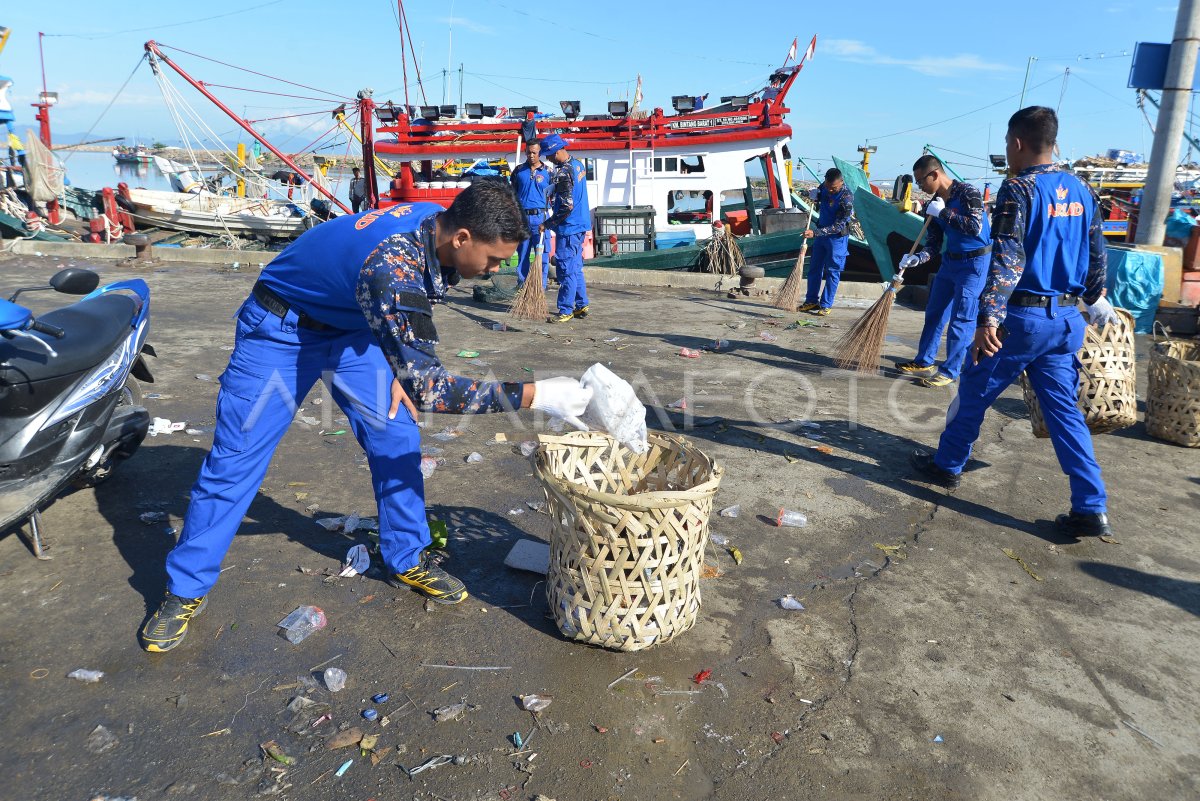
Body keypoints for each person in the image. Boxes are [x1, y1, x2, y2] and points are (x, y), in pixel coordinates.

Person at [139, 180, 594, 653]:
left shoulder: (434, 225)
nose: (496, 270)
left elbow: (410, 321)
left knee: (396, 434)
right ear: (461, 238)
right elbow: (431, 389)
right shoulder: (390, 264)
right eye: (494, 259)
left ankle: (407, 555)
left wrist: (403, 364)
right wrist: (537, 394)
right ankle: (185, 589)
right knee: (236, 461)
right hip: (281, 328)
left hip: (353, 328)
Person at [910, 106, 1118, 538]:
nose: (1007, 151)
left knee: (973, 391)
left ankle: (947, 465)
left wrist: (989, 318)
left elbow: (1008, 257)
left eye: (1007, 143)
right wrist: (1094, 296)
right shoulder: (1083, 188)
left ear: (1018, 143)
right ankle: (1091, 505)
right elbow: (1098, 255)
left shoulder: (1019, 188)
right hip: (1066, 320)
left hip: (1021, 320)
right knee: (1065, 413)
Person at [895, 155, 991, 388]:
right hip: (950, 262)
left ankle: (950, 370)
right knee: (935, 311)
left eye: (921, 181)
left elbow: (974, 226)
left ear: (935, 174)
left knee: (962, 318)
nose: (920, 186)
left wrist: (944, 213)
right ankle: (924, 361)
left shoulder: (968, 193)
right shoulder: (933, 204)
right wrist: (918, 258)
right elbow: (934, 244)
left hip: (974, 263)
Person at [540, 133, 591, 323]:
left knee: (565, 269)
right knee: (575, 267)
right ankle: (581, 304)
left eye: (548, 155)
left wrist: (547, 224)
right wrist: (555, 188)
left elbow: (566, 206)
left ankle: (565, 310)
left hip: (569, 227)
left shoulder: (562, 173)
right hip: (581, 224)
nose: (548, 159)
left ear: (555, 152)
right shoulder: (578, 165)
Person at [800, 168, 854, 316]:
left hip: (836, 239)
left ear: (841, 182)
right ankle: (811, 301)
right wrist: (811, 194)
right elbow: (818, 196)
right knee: (814, 269)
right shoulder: (824, 187)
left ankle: (826, 305)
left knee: (832, 271)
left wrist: (815, 233)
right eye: (827, 186)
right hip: (821, 235)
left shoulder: (847, 198)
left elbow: (839, 226)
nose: (830, 190)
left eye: (833, 188)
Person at [508, 140, 552, 287]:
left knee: (543, 256)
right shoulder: (518, 171)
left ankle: (540, 288)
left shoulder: (549, 172)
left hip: (542, 218)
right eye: (528, 152)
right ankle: (523, 287)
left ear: (540, 153)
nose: (531, 155)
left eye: (534, 152)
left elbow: (555, 197)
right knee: (523, 255)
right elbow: (511, 195)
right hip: (523, 219)